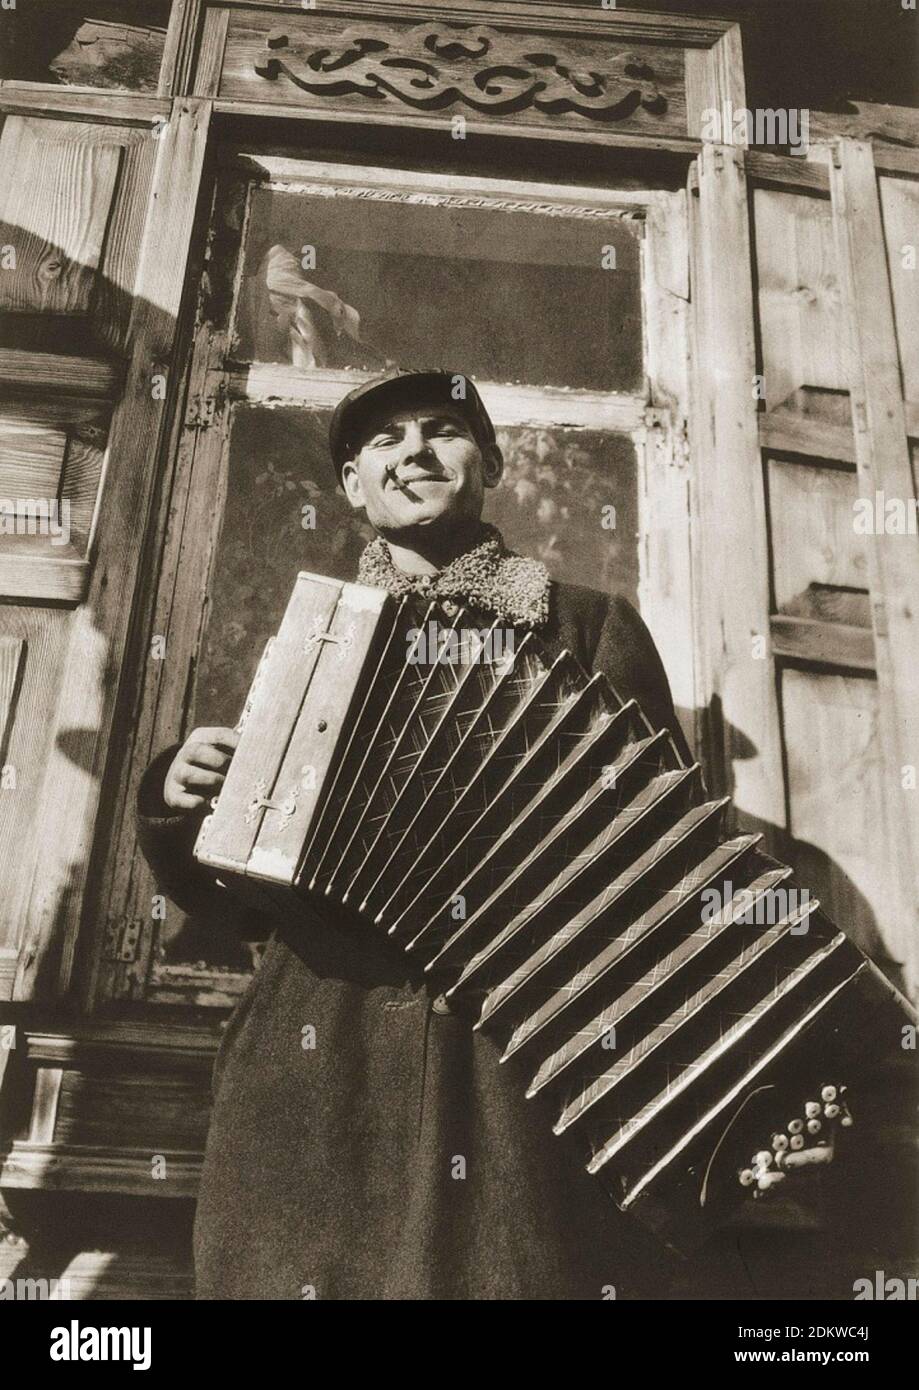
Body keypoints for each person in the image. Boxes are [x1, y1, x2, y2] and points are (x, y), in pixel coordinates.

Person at [136, 368, 818, 1300]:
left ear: (488, 465)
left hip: (509, 1056)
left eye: (441, 430)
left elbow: (658, 860)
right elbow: (239, 900)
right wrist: (177, 798)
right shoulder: (308, 636)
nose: (413, 452)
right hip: (319, 1050)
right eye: (382, 442)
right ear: (352, 487)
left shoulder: (585, 622)